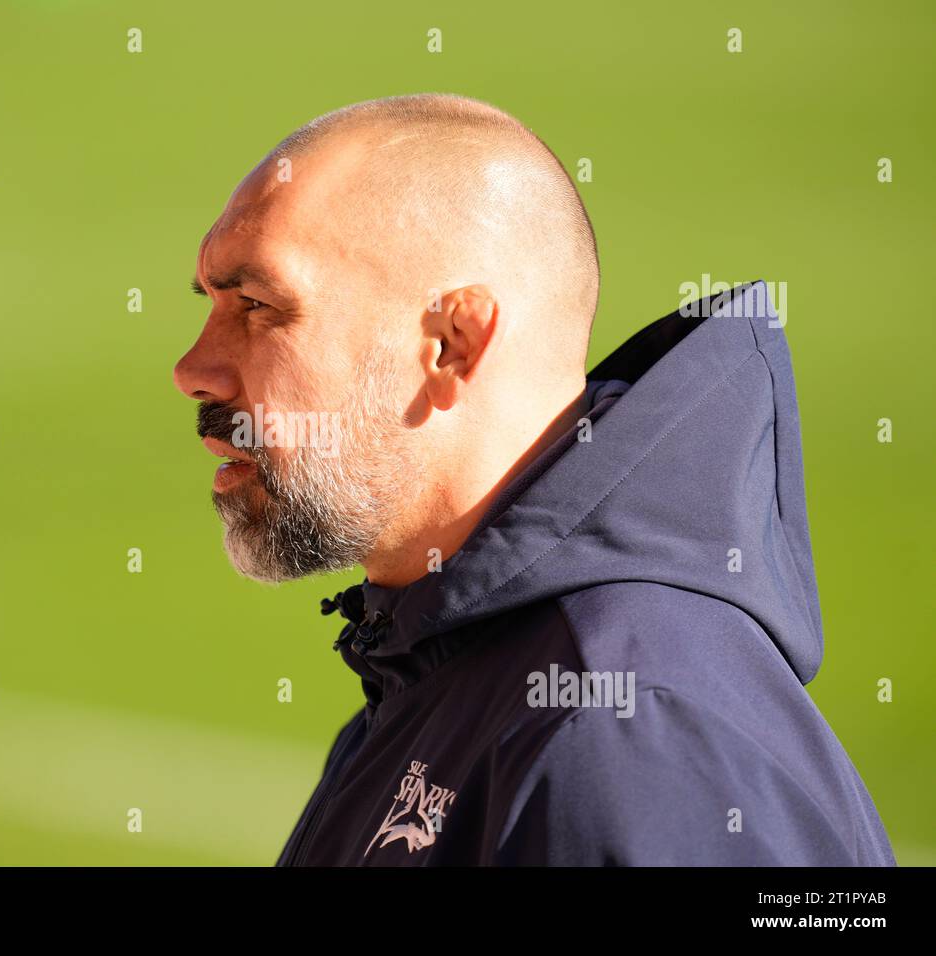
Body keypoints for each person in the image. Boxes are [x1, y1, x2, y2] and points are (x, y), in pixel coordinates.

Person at [173, 93, 895, 865]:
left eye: (257, 305)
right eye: (212, 303)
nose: (191, 371)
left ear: (453, 344)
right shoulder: (430, 667)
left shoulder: (622, 737)